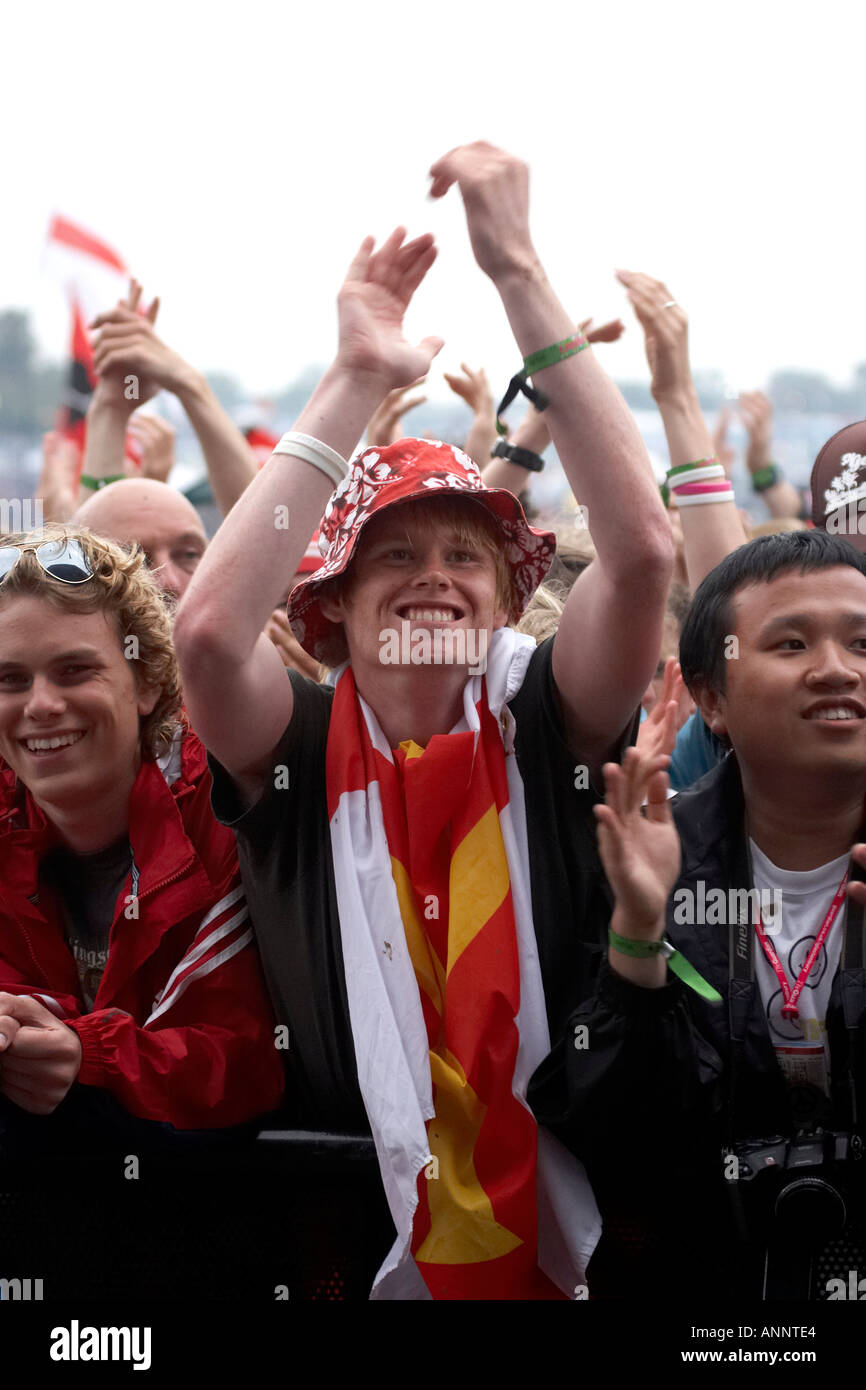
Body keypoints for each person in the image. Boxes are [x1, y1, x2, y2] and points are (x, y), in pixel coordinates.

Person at [174, 141, 673, 1300]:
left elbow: (644, 550)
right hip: (355, 1244)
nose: (435, 575)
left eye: (466, 553)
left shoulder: (546, 718)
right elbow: (204, 636)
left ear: (509, 596)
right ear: (333, 606)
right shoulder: (292, 749)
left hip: (575, 1244)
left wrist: (514, 269)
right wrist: (352, 376)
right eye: (393, 553)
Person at [529, 529, 866, 1299]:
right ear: (711, 699)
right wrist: (638, 940)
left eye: (863, 642)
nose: (837, 669)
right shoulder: (640, 856)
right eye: (790, 643)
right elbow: (612, 1132)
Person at [0, 526, 284, 1153]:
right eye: (10, 680)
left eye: (75, 671)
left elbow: (257, 1061)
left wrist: (91, 1053)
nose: (41, 705)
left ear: (149, 683)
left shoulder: (228, 810)